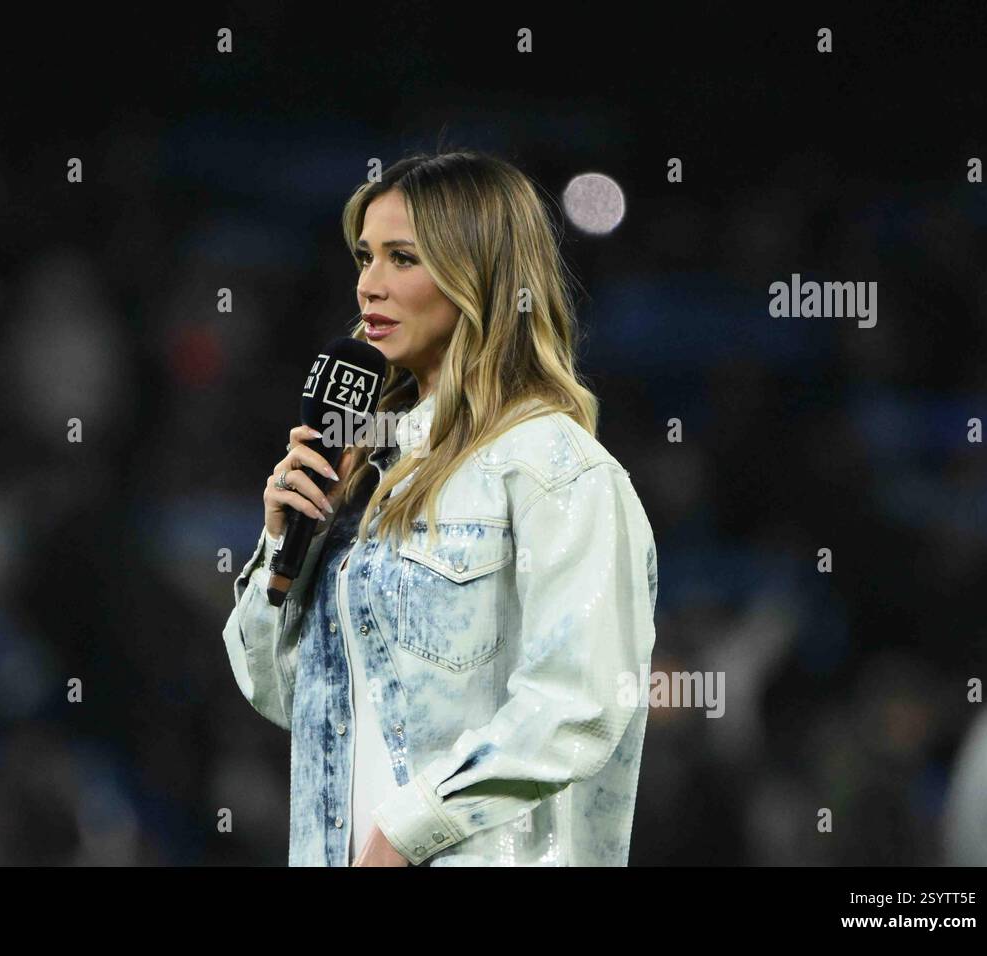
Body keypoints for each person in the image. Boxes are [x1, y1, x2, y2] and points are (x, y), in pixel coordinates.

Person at [220, 150, 659, 866]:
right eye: (364, 258)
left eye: (402, 259)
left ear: (480, 276)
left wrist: (408, 830)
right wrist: (284, 551)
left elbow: (578, 704)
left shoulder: (556, 470)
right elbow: (286, 698)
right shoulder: (365, 472)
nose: (368, 286)